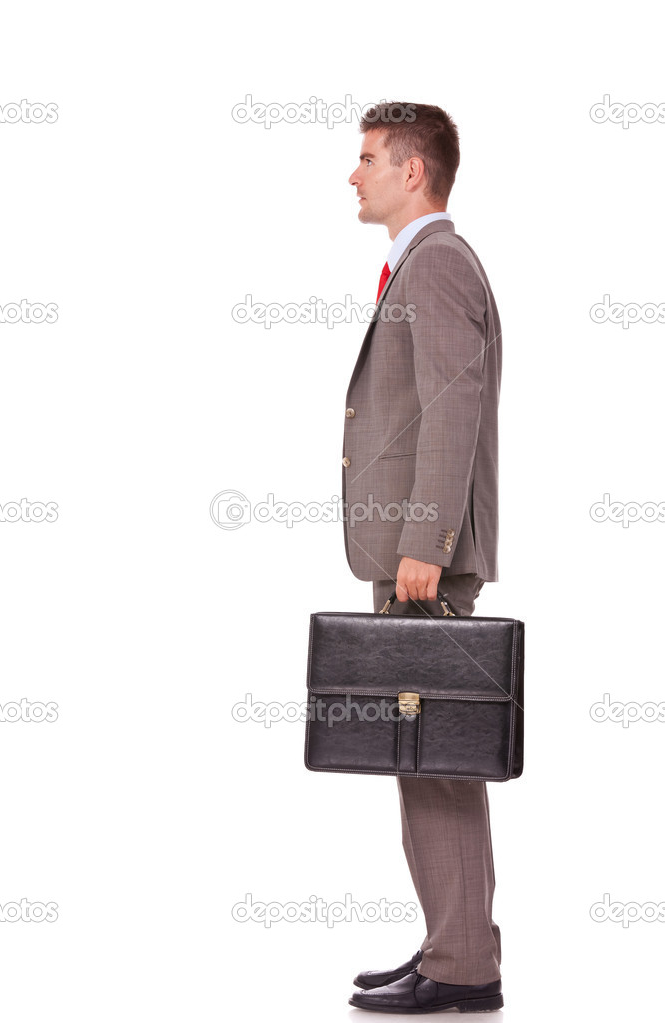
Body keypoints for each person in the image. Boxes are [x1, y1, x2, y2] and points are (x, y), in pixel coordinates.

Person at [342, 102, 505, 1014]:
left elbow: (454, 402)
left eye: (367, 158)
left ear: (412, 171)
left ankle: (463, 965)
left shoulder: (437, 262)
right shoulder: (423, 262)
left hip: (422, 556)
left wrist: (424, 543)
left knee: (437, 760)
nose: (353, 174)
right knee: (426, 754)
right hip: (414, 549)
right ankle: (455, 944)